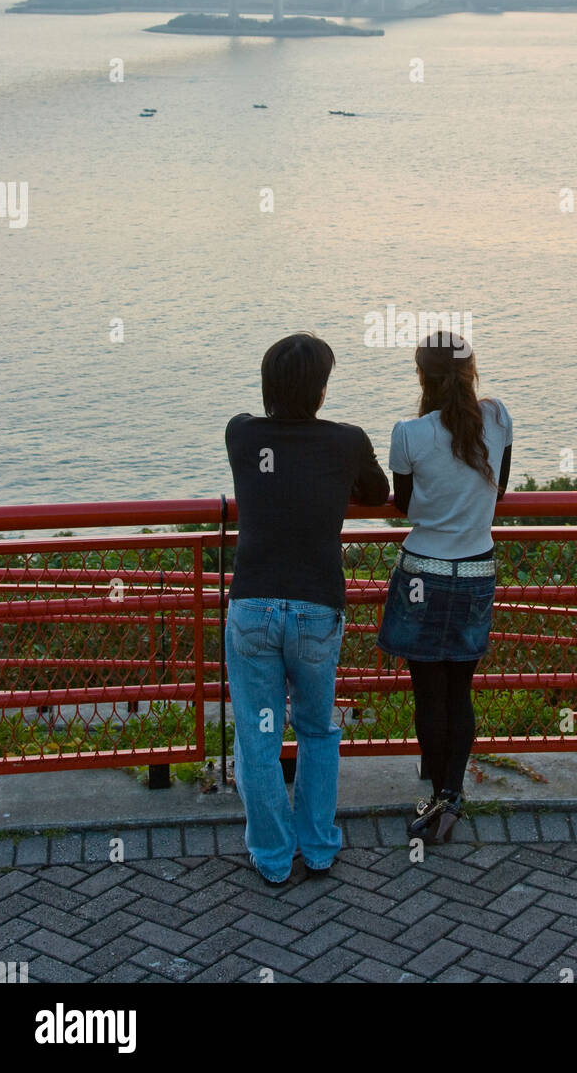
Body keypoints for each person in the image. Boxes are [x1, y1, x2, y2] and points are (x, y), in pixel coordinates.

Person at [225, 333, 389, 885]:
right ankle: (318, 848)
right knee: (317, 730)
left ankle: (272, 857)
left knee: (258, 735)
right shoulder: (345, 441)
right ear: (322, 390)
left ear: (268, 385)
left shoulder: (242, 433)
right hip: (317, 606)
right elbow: (376, 490)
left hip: (253, 606)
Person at [377, 331, 512, 843]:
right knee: (460, 693)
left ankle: (434, 796)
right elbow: (500, 487)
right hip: (477, 570)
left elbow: (405, 507)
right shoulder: (498, 418)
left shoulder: (408, 434)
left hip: (423, 575)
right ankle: (452, 797)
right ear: (472, 370)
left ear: (420, 376)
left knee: (428, 695)